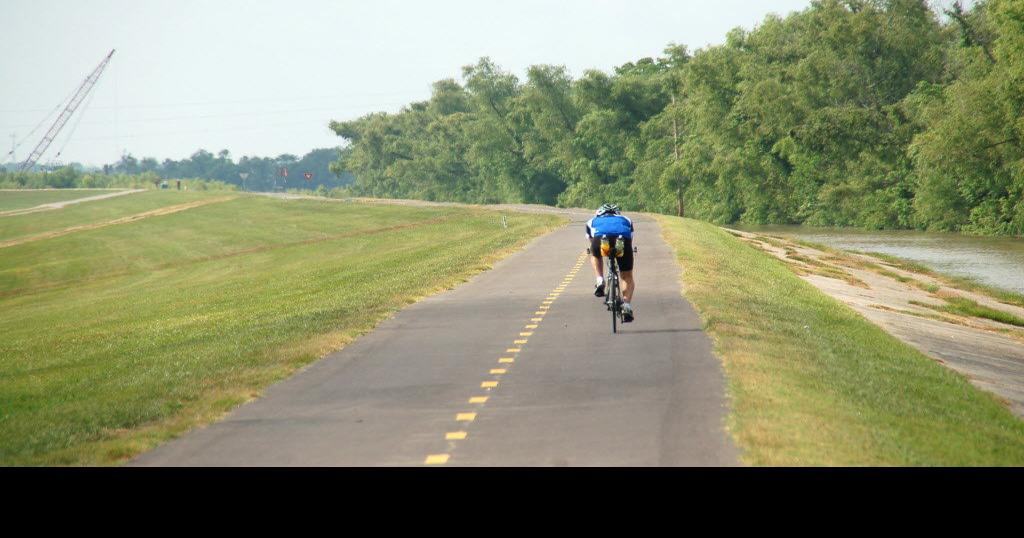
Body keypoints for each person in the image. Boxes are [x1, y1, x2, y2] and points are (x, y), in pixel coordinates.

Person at [586, 203, 636, 323]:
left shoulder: (592, 221)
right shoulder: (626, 219)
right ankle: (626, 305)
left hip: (601, 240)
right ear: (617, 213)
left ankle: (599, 279)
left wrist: (595, 251)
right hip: (622, 240)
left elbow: (591, 241)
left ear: (599, 213)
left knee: (595, 254)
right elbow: (630, 238)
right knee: (627, 276)